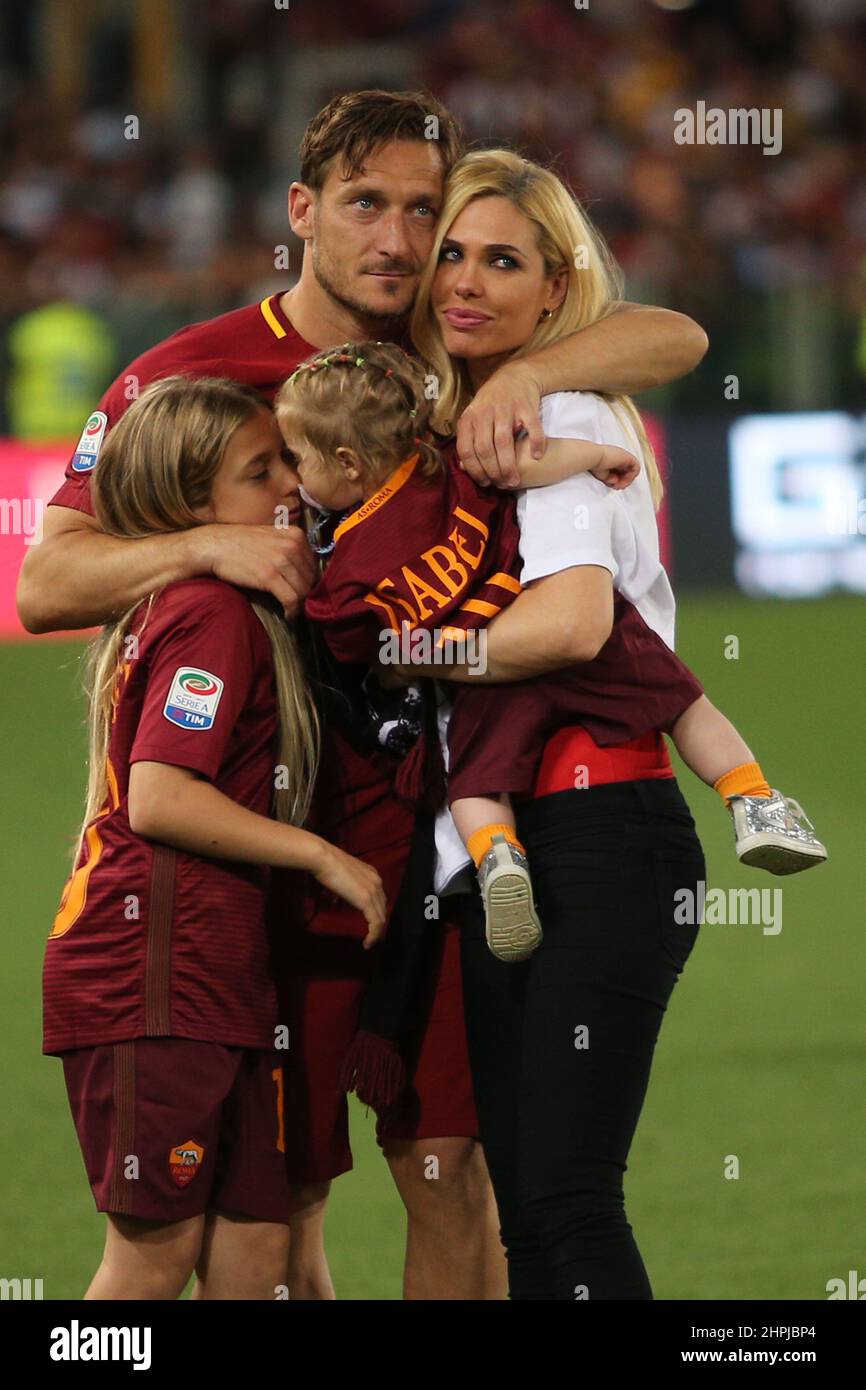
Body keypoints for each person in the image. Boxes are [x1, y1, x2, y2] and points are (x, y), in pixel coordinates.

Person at [18, 89, 709, 1300]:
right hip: (245, 865)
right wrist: (209, 548)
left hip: (433, 838)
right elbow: (47, 578)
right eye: (364, 205)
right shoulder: (198, 374)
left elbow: (673, 337)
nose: (395, 240)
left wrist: (524, 374)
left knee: (443, 1166)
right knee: (253, 1218)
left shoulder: (456, 354)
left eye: (421, 213)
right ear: (303, 212)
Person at [391, 147, 826, 1296]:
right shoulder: (462, 414)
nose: (465, 282)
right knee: (533, 1219)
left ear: (554, 288)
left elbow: (574, 627)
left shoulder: (558, 407)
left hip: (595, 832)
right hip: (519, 846)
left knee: (567, 1204)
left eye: (502, 260)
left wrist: (412, 652)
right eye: (450, 256)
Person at [277, 337, 826, 961]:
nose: (293, 477)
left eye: (296, 458)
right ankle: (753, 800)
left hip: (485, 675)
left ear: (348, 463)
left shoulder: (344, 572)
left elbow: (358, 648)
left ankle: (501, 863)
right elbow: (527, 464)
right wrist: (596, 454)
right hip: (548, 615)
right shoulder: (452, 464)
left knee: (472, 780)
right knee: (684, 705)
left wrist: (390, 656)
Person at [44, 376, 386, 1299]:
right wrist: (322, 855)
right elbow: (160, 797)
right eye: (258, 469)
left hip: (216, 970)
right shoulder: (212, 612)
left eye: (286, 458)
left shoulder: (210, 607)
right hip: (154, 969)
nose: (289, 484)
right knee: (149, 1267)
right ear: (193, 507)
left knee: (255, 1257)